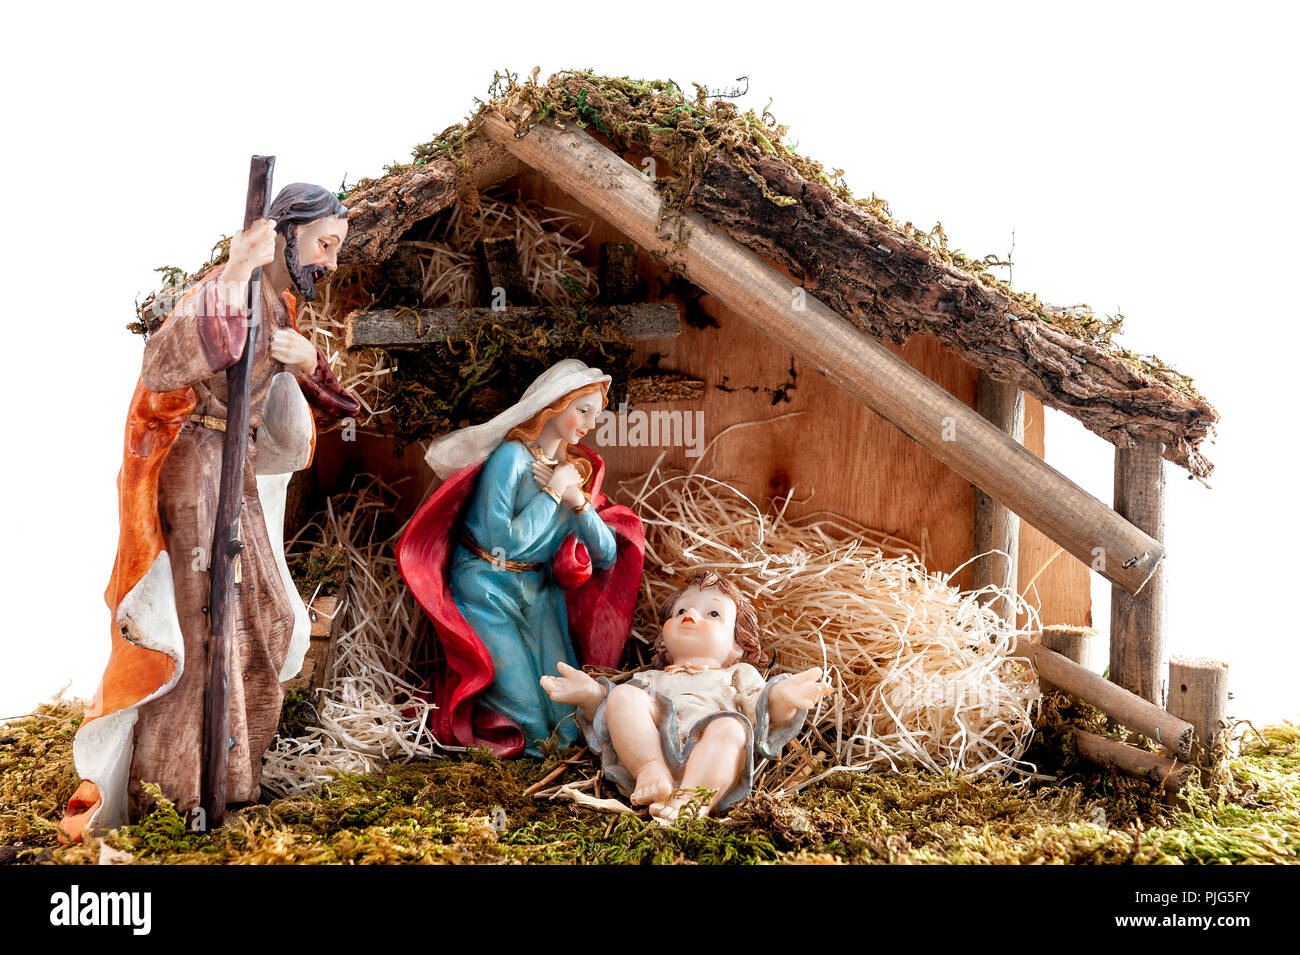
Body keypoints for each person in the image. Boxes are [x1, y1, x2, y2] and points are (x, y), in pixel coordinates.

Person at [59, 183, 360, 843]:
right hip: (194, 468)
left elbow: (338, 407)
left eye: (336, 248)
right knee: (202, 627)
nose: (332, 262)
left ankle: (231, 777)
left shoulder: (276, 307)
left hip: (236, 471)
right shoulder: (227, 290)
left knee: (272, 620)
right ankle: (172, 788)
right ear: (285, 232)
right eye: (326, 244)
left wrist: (313, 363)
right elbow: (165, 363)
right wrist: (231, 271)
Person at [398, 359, 645, 758]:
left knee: (565, 721)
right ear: (553, 405)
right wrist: (551, 496)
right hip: (486, 588)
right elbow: (505, 543)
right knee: (528, 718)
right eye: (582, 410)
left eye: (595, 417)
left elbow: (606, 554)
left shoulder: (572, 472)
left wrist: (577, 501)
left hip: (538, 595)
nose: (588, 424)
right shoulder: (510, 459)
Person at [541, 570, 831, 822]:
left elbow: (761, 711)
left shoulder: (737, 674)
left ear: (738, 647)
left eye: (713, 614)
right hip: (653, 750)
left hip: (711, 757)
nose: (690, 617)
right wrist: (590, 695)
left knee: (731, 727)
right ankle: (650, 770)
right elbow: (613, 719)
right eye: (681, 612)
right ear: (663, 639)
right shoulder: (651, 678)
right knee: (624, 696)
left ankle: (692, 799)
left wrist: (784, 697)